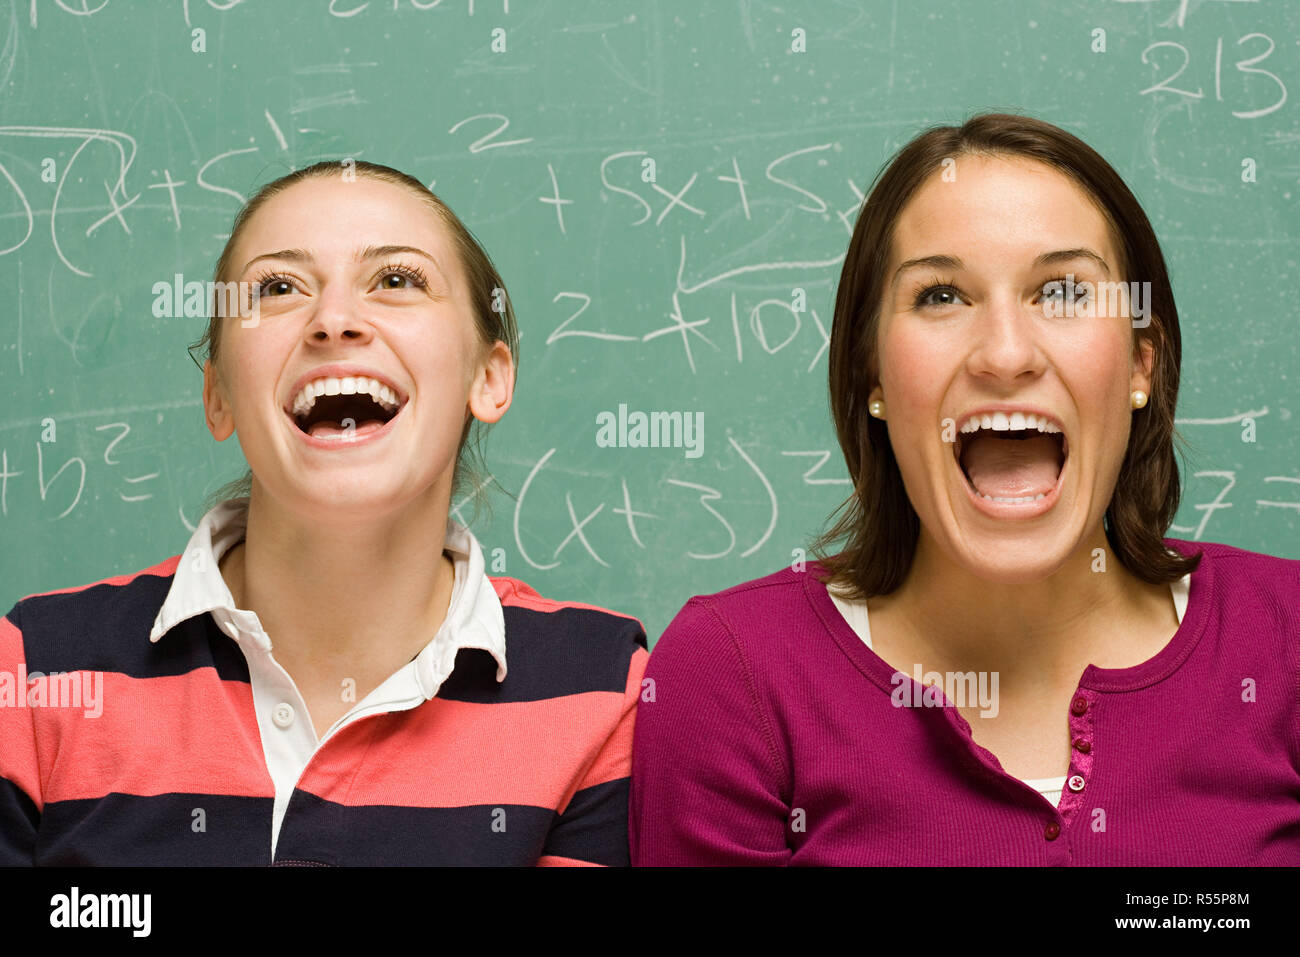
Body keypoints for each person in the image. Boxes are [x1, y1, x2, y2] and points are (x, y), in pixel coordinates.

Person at [629, 114, 1300, 865]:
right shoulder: (734, 674)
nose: (1005, 353)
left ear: (1142, 364)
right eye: (942, 296)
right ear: (872, 375)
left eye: (1066, 291)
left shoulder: (1285, 639)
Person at [0, 160, 647, 866]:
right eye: (278, 288)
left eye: (397, 280)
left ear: (487, 378)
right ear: (217, 395)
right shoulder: (36, 670)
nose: (334, 321)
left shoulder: (599, 691)